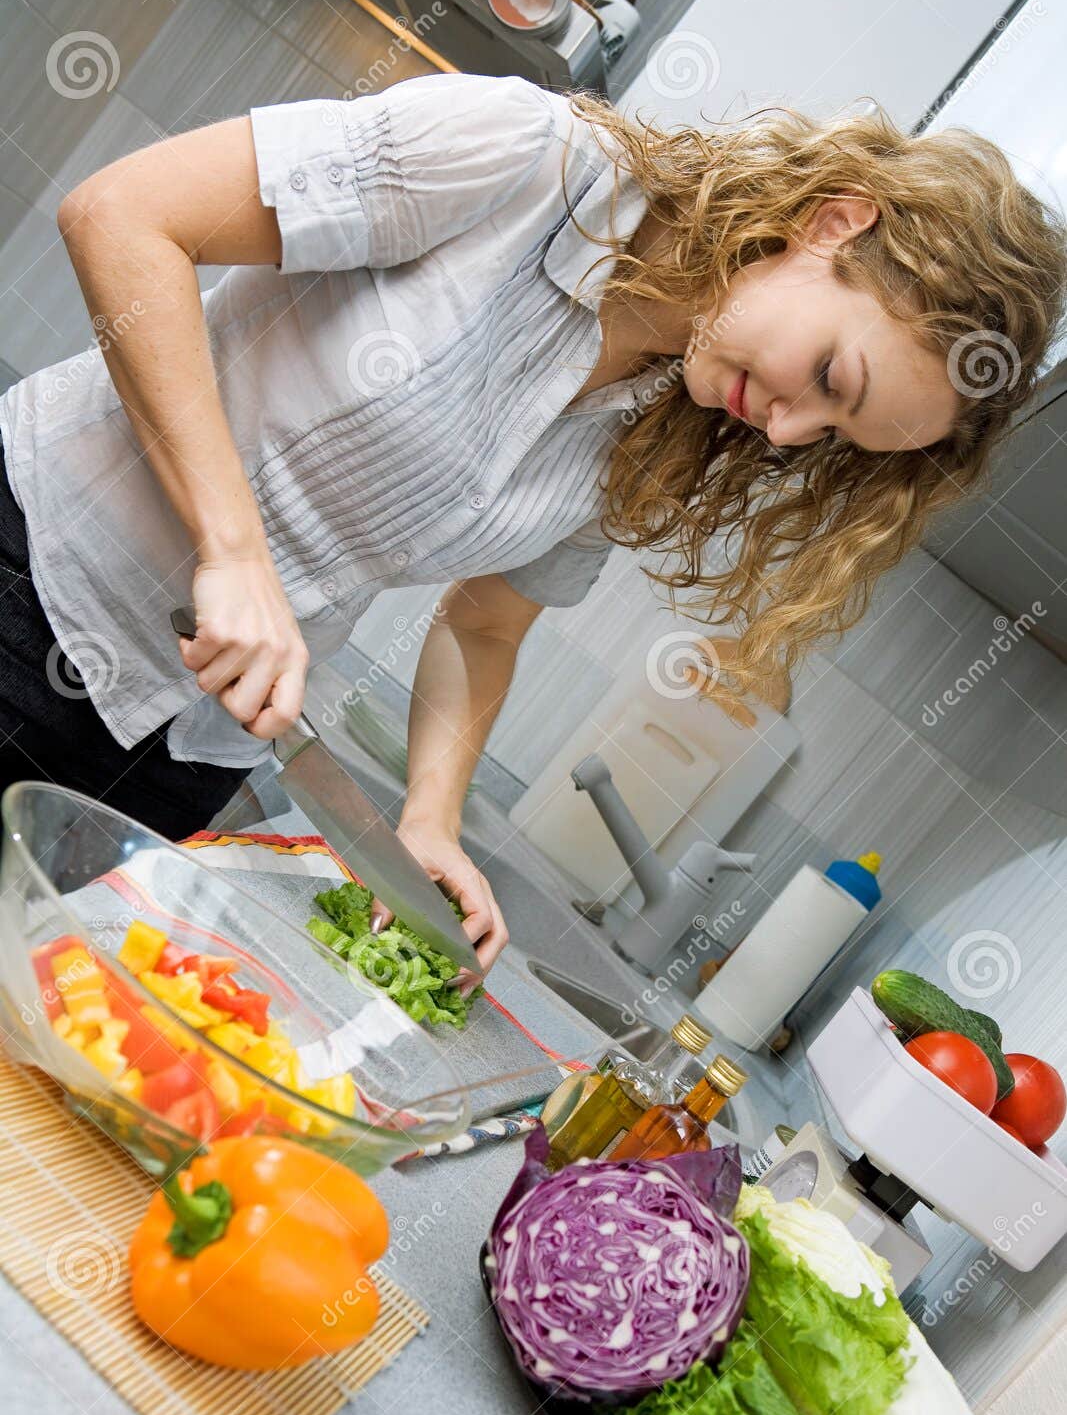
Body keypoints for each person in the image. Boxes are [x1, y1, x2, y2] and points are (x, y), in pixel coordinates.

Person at [0, 72, 1062, 978]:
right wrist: (232, 548)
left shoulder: (662, 430)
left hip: (184, 754)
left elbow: (484, 626)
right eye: (829, 376)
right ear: (834, 223)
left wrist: (428, 817)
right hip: (35, 582)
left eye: (831, 432)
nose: (786, 429)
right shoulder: (526, 160)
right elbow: (123, 217)